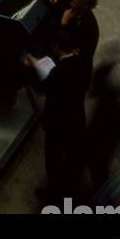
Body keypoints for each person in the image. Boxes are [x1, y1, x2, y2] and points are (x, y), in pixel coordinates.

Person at [35, 26, 88, 205]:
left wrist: (35, 67)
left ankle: (54, 196)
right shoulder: (83, 63)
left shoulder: (59, 71)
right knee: (71, 159)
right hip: (77, 119)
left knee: (54, 160)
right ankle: (69, 191)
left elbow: (43, 88)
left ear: (57, 47)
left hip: (58, 123)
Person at [62, 0, 99, 85]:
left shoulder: (88, 25)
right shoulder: (75, 11)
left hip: (77, 76)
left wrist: (64, 23)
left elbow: (70, 45)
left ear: (85, 6)